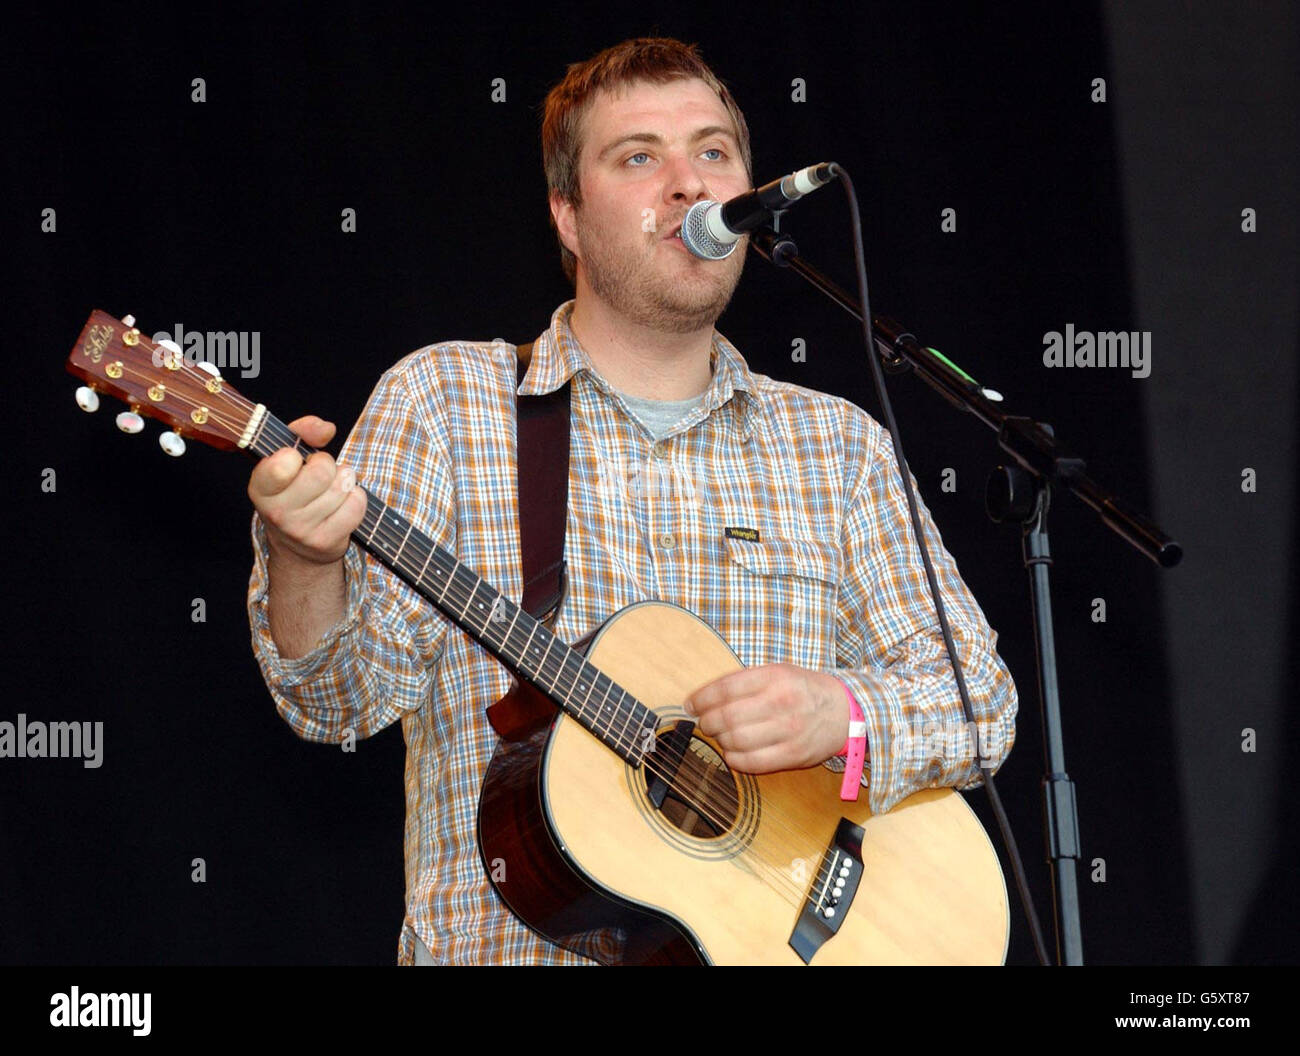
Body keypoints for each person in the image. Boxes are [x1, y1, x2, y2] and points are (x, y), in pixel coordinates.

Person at [245, 37, 1018, 965]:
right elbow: (336, 704)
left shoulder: (837, 445)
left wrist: (839, 716)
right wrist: (304, 558)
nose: (690, 184)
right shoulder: (447, 405)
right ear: (566, 218)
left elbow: (980, 706)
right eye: (640, 157)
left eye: (714, 152)